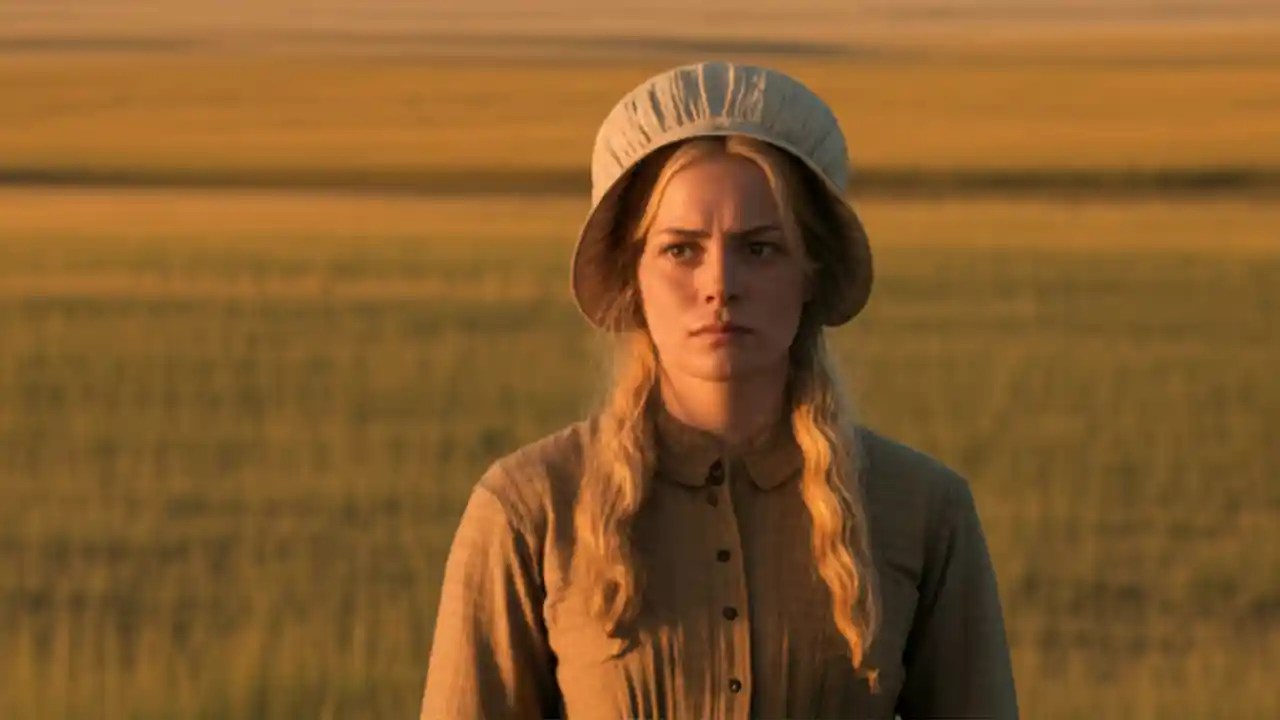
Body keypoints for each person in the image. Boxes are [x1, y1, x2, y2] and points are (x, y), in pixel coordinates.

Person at [420, 60, 1018, 719]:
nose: (720, 285)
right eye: (681, 250)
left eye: (760, 249)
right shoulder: (529, 511)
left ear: (810, 274)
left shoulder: (922, 510)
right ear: (633, 277)